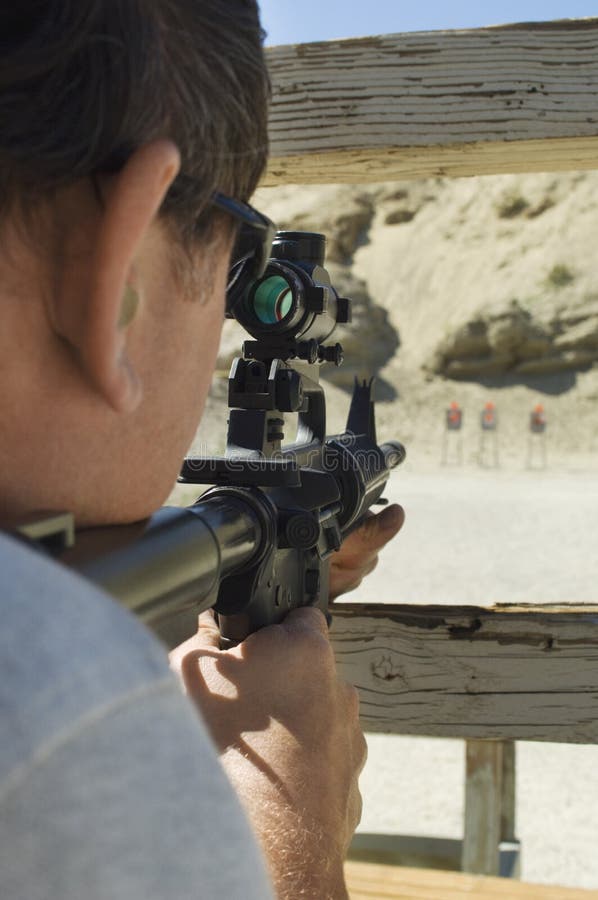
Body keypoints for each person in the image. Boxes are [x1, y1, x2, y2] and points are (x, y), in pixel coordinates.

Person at [0, 3, 404, 899]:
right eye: (235, 265)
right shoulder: (61, 716)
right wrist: (296, 835)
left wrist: (275, 573)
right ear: (110, 277)